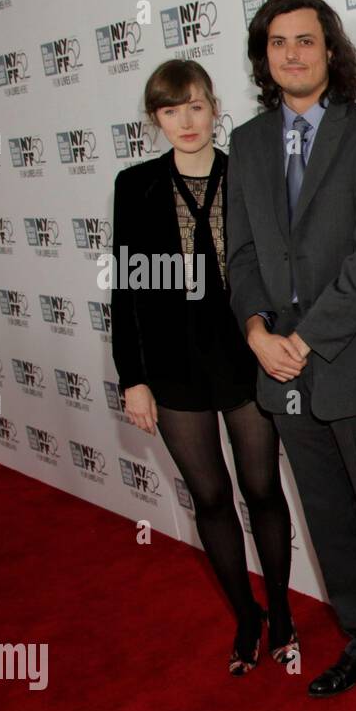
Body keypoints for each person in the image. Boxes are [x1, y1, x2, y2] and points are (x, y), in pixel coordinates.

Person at [225, 0, 356, 707]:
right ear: (264, 57)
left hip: (348, 362)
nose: (292, 54)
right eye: (278, 43)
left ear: (330, 51)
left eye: (305, 41)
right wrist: (257, 332)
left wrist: (306, 339)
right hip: (277, 370)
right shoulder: (246, 144)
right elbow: (241, 252)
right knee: (326, 517)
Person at [111, 59, 296, 676]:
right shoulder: (133, 185)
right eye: (170, 110)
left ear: (216, 108)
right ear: (155, 119)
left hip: (246, 356)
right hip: (173, 368)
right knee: (211, 497)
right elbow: (128, 291)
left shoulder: (248, 172)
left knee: (263, 489)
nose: (185, 122)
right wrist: (133, 378)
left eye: (195, 106)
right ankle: (247, 617)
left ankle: (285, 615)